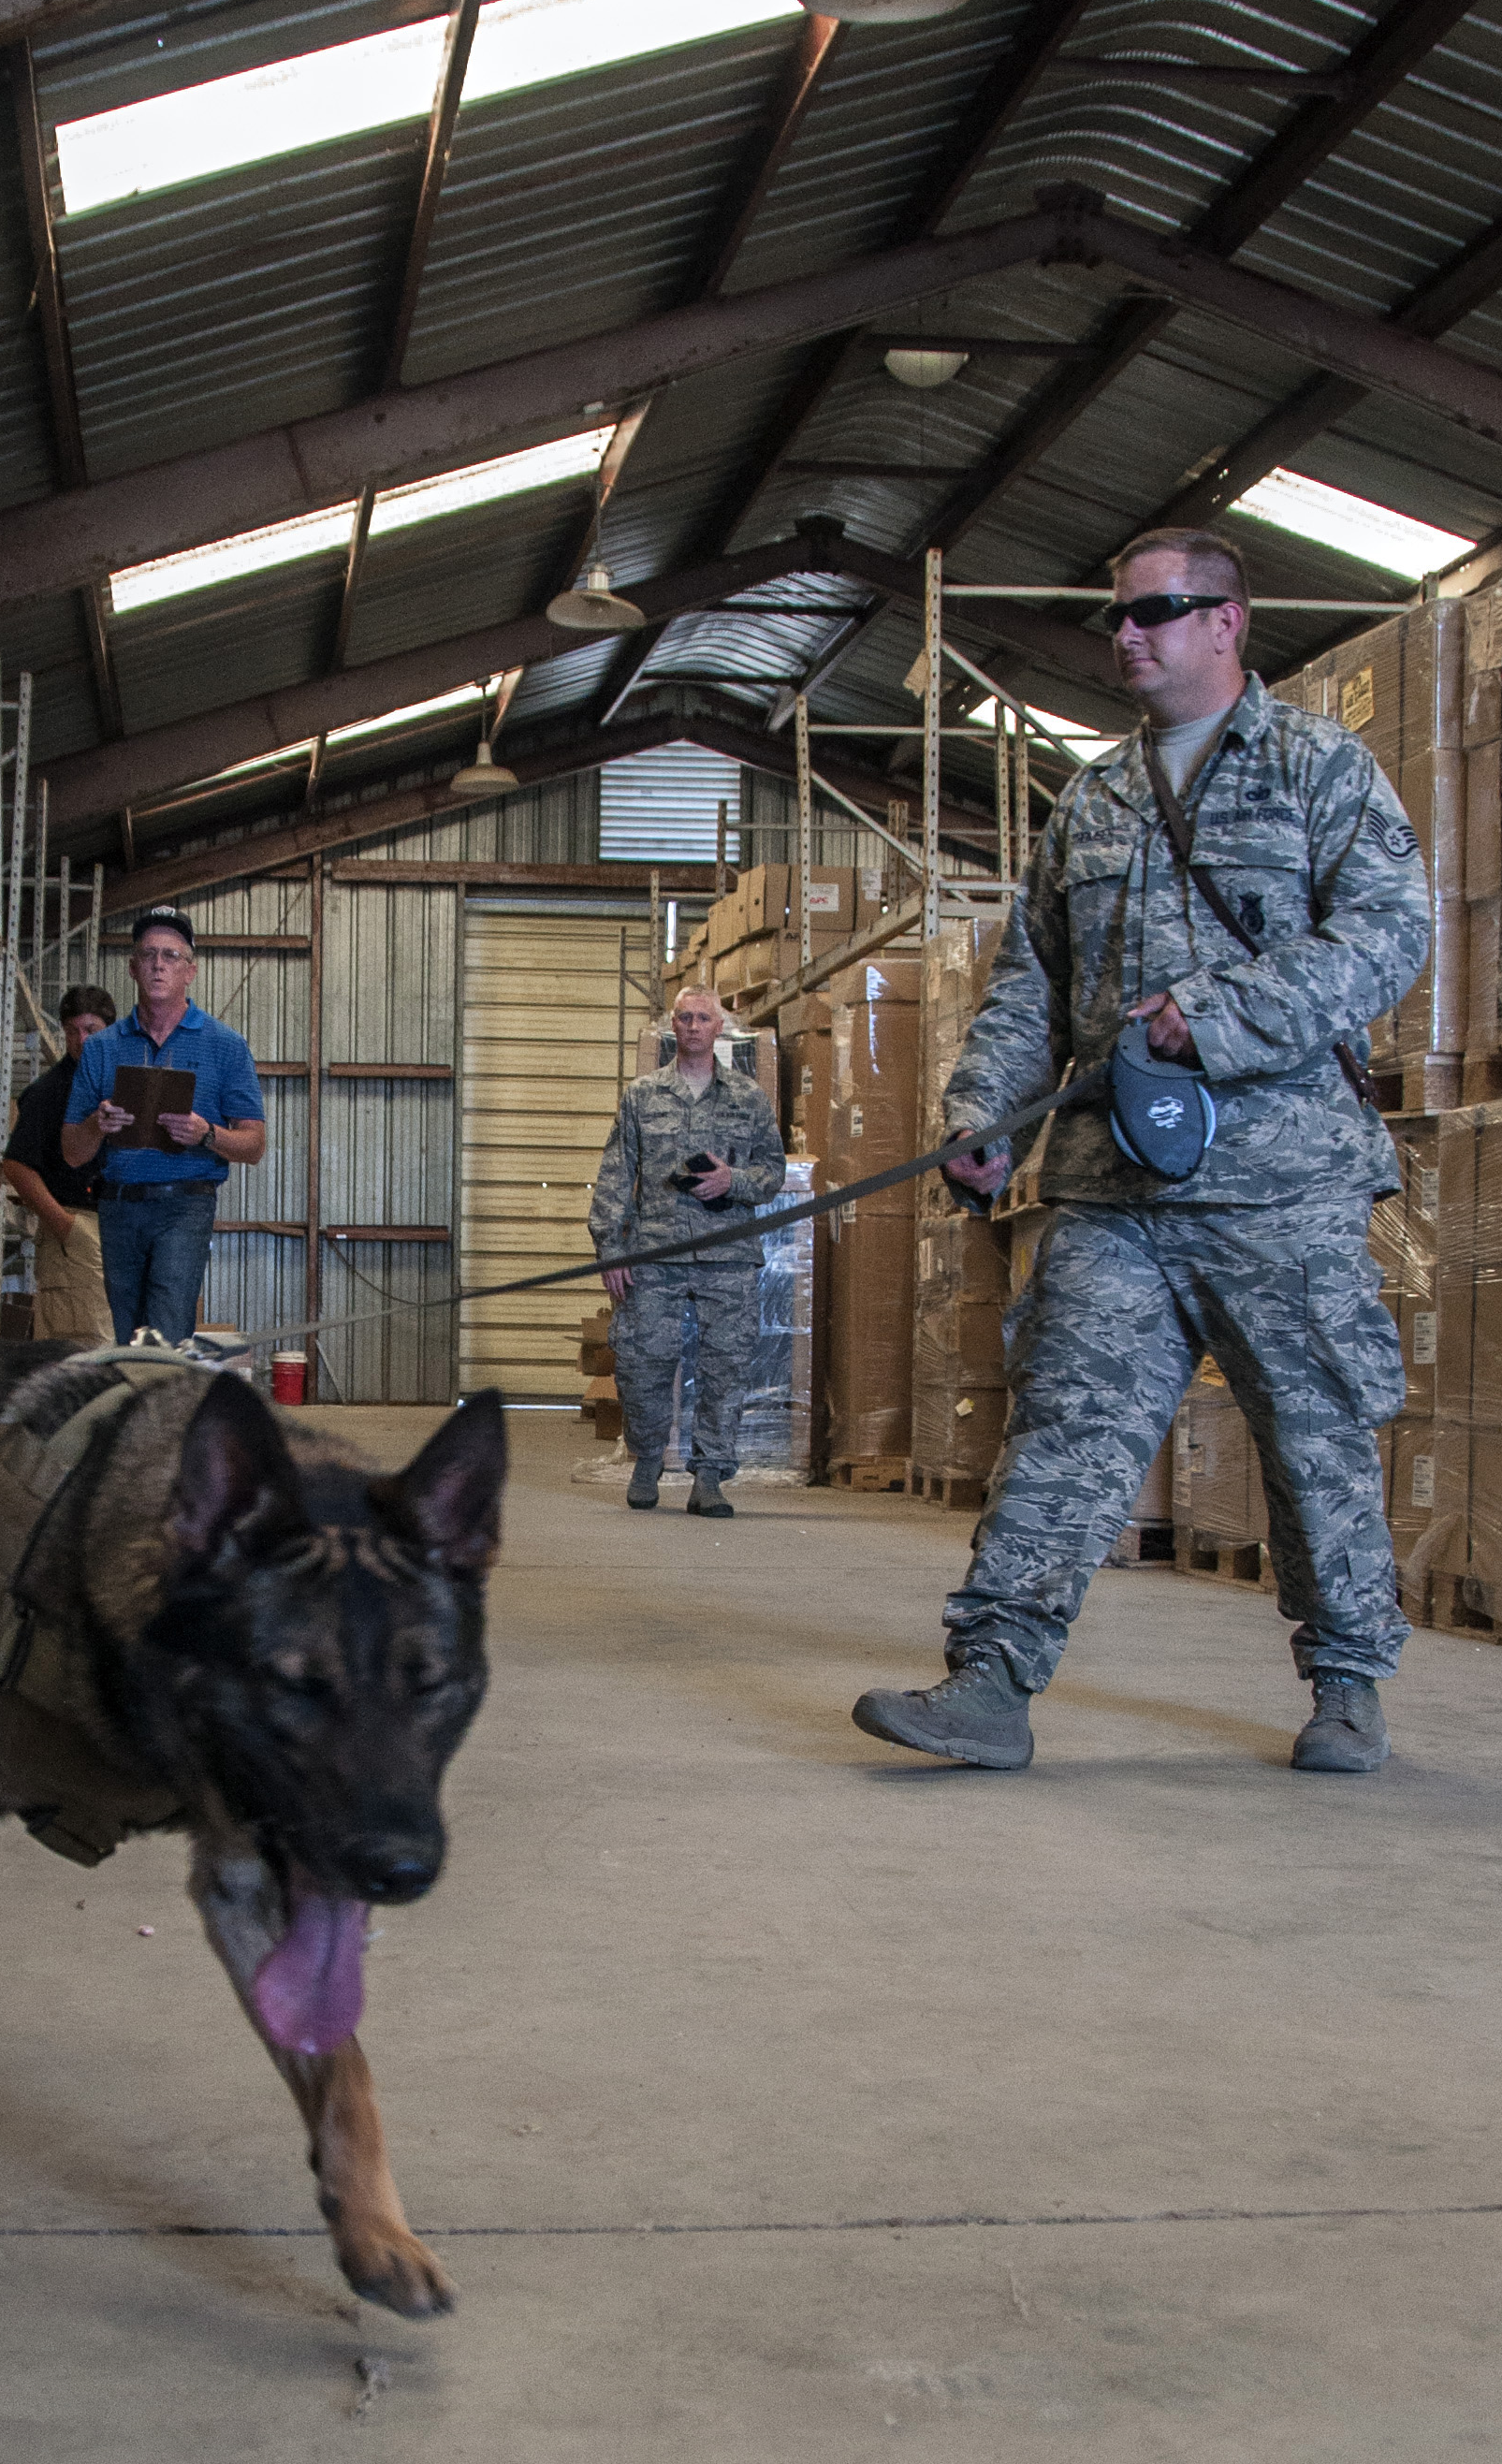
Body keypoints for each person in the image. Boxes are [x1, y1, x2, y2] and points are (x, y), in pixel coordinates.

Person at [853, 528, 1431, 1779]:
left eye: (1157, 611)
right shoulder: (1093, 799)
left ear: (1228, 622)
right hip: (1114, 1184)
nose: (1127, 633)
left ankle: (1346, 1683)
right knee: (1065, 1430)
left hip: (1283, 1186)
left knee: (1313, 1434)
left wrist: (1212, 1017)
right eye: (1119, 614)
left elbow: (1389, 936)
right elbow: (1029, 985)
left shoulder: (1318, 767)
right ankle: (990, 1681)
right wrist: (978, 1114)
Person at [590, 983, 786, 1516]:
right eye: (684, 1018)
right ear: (671, 1026)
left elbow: (773, 1173)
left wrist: (733, 1180)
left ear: (720, 1027)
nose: (694, 1026)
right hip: (655, 1253)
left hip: (728, 1254)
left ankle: (710, 1476)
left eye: (704, 1018)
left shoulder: (749, 1098)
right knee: (641, 1361)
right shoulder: (642, 1096)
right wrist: (611, 1247)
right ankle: (648, 1458)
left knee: (727, 1367)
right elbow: (615, 1175)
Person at [61, 904, 267, 1346]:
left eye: (172, 956)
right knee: (126, 1336)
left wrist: (206, 1134)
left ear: (190, 971)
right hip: (117, 1207)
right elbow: (72, 1151)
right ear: (133, 968)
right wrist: (98, 1124)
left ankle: (164, 1410)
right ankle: (141, 1412)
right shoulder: (101, 1049)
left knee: (166, 1332)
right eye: (149, 954)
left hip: (184, 1207)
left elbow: (254, 1144)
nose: (159, 964)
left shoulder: (225, 1046)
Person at [1, 984, 118, 1344]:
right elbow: (17, 1166)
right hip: (77, 1224)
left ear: (110, 1030)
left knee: (121, 1350)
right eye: (72, 1031)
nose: (81, 1040)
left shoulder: (124, 1082)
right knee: (82, 1350)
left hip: (122, 1224)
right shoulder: (49, 1092)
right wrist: (66, 1227)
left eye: (91, 1030)